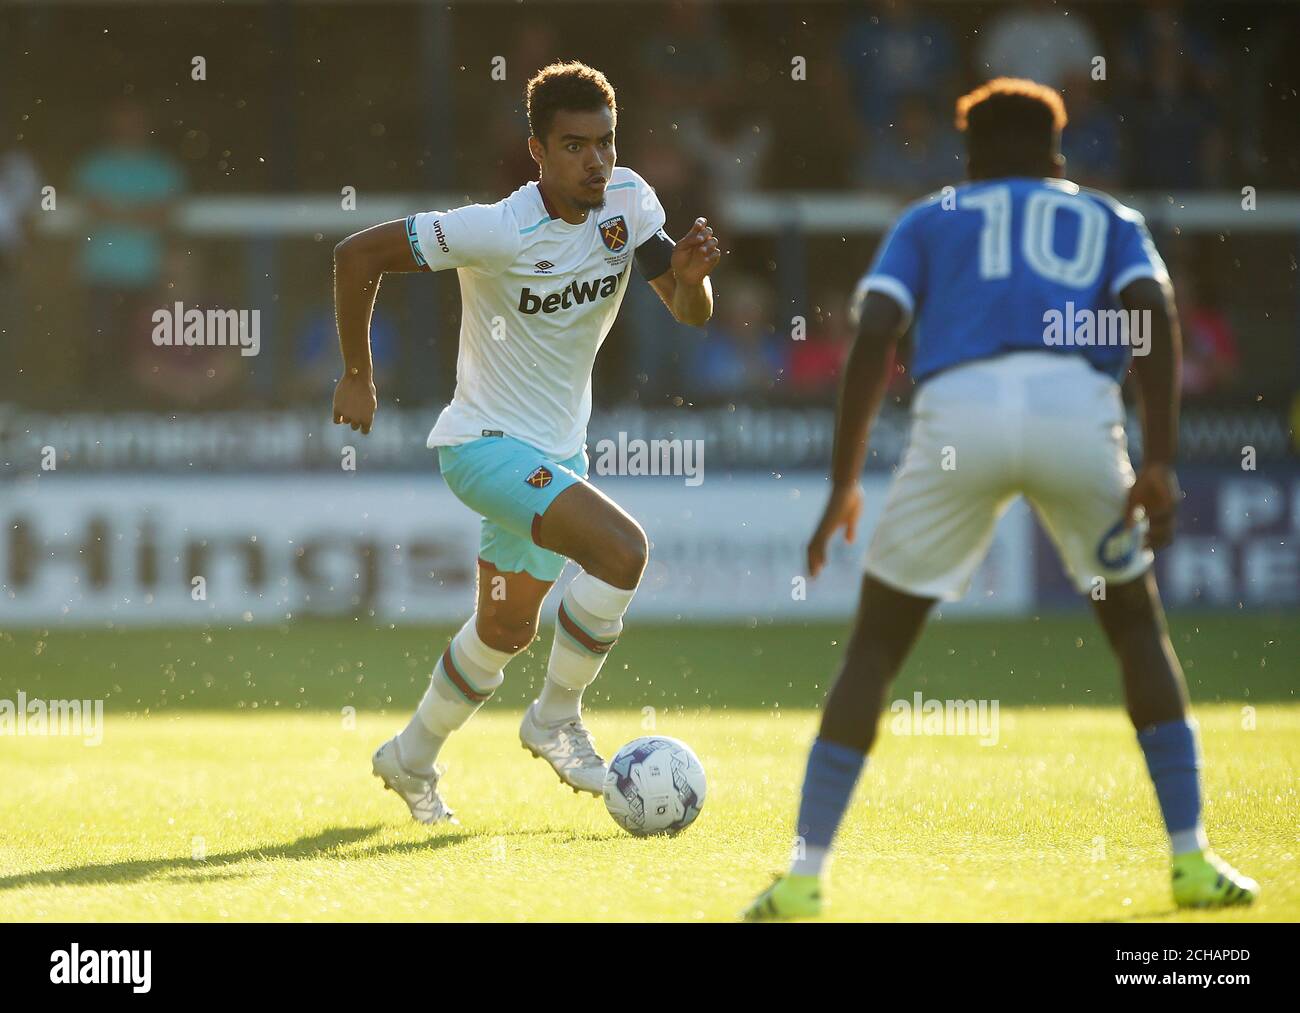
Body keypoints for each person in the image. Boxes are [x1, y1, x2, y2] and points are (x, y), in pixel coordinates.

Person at [745, 78, 1257, 919]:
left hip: (960, 417)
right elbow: (1154, 311)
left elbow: (874, 333)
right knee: (1135, 628)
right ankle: (1192, 860)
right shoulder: (1105, 218)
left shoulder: (931, 217)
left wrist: (843, 481)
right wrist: (1159, 456)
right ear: (1057, 156)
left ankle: (804, 875)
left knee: (874, 647)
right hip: (1076, 416)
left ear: (970, 157)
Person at [331, 62, 720, 824]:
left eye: (604, 142)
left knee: (505, 628)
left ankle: (409, 759)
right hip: (482, 447)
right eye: (574, 146)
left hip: (556, 455)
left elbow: (689, 312)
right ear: (537, 149)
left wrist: (695, 278)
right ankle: (554, 717)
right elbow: (356, 254)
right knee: (623, 551)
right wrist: (356, 374)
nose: (595, 161)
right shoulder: (497, 229)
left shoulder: (631, 205)